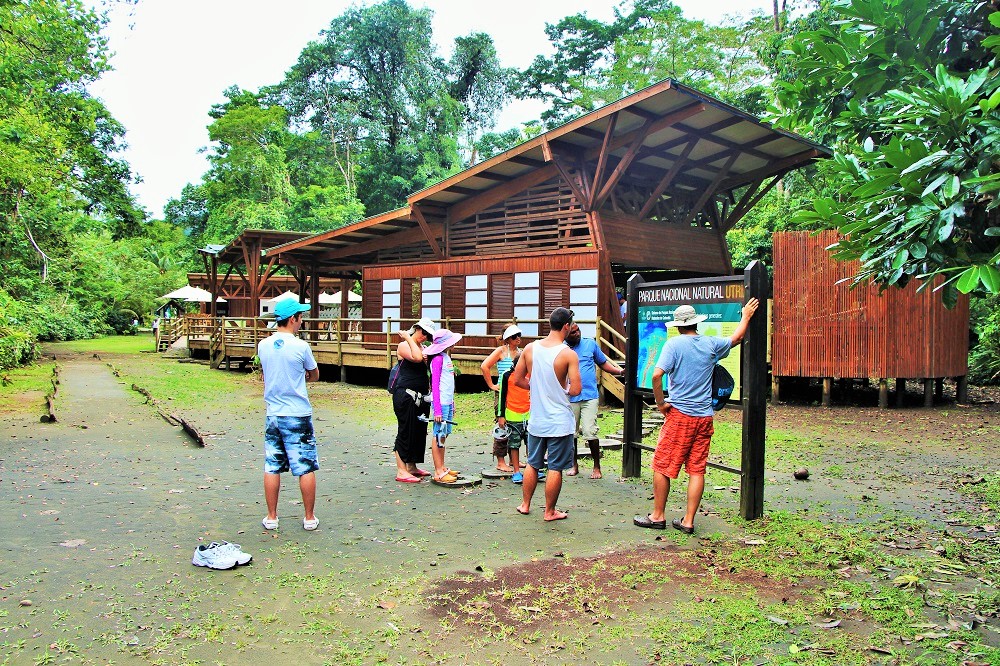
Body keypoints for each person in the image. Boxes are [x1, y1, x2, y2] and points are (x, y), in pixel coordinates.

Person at [634, 298, 759, 534]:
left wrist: (660, 403)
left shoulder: (673, 345)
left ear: (678, 326)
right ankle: (688, 521)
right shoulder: (710, 344)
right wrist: (745, 317)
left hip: (680, 415)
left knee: (662, 465)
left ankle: (658, 515)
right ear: (696, 324)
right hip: (704, 417)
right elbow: (736, 338)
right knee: (696, 469)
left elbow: (656, 376)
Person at [256, 299, 321, 531]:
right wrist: (303, 378)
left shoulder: (263, 345)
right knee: (305, 465)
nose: (301, 321)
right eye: (300, 317)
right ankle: (309, 517)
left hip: (273, 412)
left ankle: (272, 516)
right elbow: (314, 374)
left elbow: (266, 372)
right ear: (293, 319)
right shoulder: (301, 346)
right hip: (297, 413)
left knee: (272, 465)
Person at [511, 307, 581, 521]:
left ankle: (525, 504)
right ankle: (549, 511)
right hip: (559, 420)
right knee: (555, 467)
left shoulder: (530, 348)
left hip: (537, 420)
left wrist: (534, 386)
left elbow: (516, 379)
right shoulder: (568, 354)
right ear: (566, 327)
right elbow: (576, 389)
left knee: (533, 463)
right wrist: (564, 389)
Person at [565, 324, 623, 479]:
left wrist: (619, 371)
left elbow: (602, 363)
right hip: (570, 397)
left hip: (590, 395)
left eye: (578, 330)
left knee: (590, 430)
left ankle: (597, 467)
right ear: (565, 334)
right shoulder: (562, 349)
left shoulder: (590, 344)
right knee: (572, 432)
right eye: (573, 332)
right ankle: (574, 465)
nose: (577, 333)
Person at [391, 317, 437, 483]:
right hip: (406, 394)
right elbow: (417, 358)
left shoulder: (422, 347)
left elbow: (426, 363)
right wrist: (409, 338)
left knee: (418, 430)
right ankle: (401, 470)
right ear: (416, 328)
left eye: (428, 334)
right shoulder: (404, 344)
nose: (424, 336)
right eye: (423, 332)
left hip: (422, 395)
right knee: (406, 430)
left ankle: (412, 465)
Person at [481, 323, 523, 472]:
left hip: (516, 393)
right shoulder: (501, 351)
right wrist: (492, 385)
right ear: (507, 338)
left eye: (519, 335)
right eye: (514, 336)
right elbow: (485, 366)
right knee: (502, 424)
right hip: (502, 392)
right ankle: (500, 460)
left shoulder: (520, 353)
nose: (518, 338)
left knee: (515, 425)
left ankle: (514, 459)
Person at [426, 328, 463, 483]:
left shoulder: (446, 358)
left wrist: (452, 403)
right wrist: (438, 410)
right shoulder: (437, 360)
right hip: (440, 403)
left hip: (448, 402)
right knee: (438, 435)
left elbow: (449, 383)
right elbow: (434, 385)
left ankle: (442, 466)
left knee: (444, 434)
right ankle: (438, 471)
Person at [496, 353, 530, 484]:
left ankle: (532, 469)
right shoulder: (506, 375)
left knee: (531, 444)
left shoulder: (531, 374)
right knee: (514, 445)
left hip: (529, 415)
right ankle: (516, 471)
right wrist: (501, 415)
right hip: (512, 415)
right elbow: (502, 396)